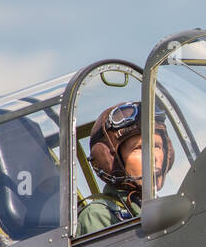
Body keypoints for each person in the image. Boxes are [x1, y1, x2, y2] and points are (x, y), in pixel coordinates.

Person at [75, 101, 175, 235]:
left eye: (157, 146)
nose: (154, 157)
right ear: (109, 160)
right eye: (139, 148)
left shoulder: (161, 208)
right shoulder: (99, 216)